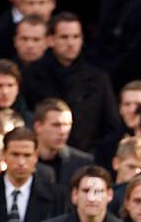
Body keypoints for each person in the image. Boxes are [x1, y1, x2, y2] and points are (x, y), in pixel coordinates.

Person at [21, 12, 118, 155]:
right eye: (64, 37)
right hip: (41, 155)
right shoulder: (31, 76)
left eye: (76, 37)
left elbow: (111, 124)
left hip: (87, 156)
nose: (71, 43)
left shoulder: (98, 78)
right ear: (50, 40)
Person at [32, 97, 94, 193]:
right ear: (38, 126)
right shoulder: (23, 160)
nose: (62, 131)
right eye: (56, 125)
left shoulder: (83, 163)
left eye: (67, 125)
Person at [94, 77, 141, 168]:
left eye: (139, 105)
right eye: (127, 104)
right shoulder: (106, 147)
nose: (132, 110)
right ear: (120, 109)